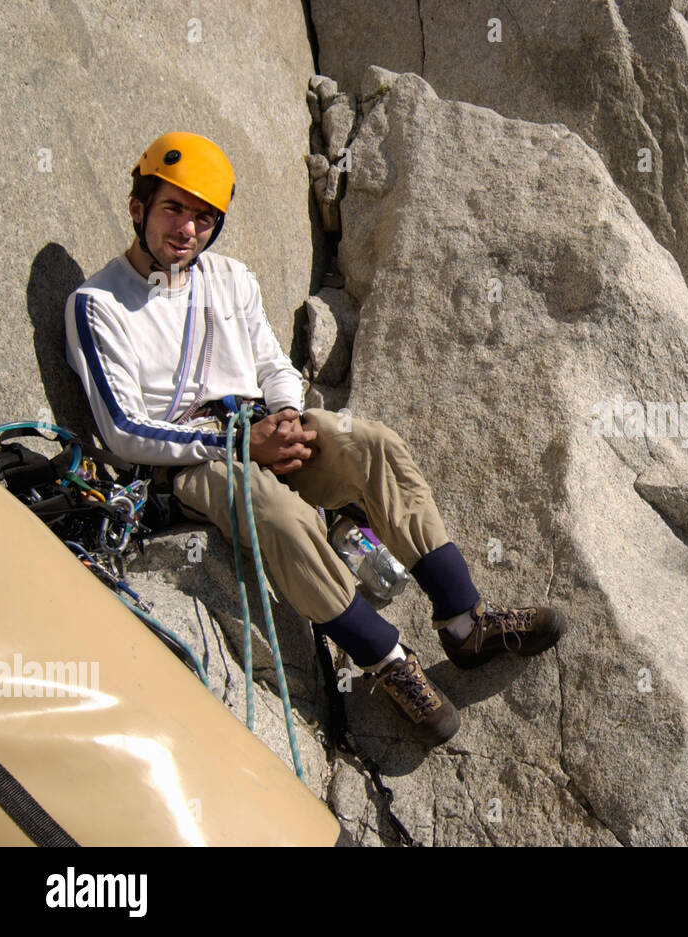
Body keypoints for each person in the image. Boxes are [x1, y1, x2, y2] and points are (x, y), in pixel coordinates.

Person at [63, 131, 564, 746]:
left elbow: (273, 362)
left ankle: (466, 623)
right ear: (138, 207)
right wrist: (244, 447)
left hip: (264, 425)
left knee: (372, 442)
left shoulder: (230, 278)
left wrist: (290, 418)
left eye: (203, 218)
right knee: (277, 512)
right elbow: (122, 430)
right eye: (173, 209)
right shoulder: (97, 304)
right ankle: (387, 663)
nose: (187, 230)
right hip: (191, 455)